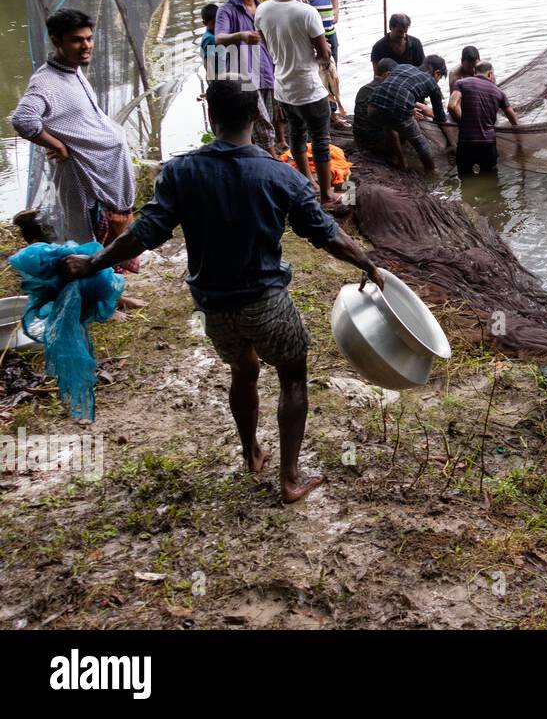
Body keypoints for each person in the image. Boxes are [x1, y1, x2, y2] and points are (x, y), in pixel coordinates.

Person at [58, 79, 382, 503]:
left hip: (212, 303)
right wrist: (367, 263)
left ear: (211, 117)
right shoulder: (280, 175)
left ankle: (251, 453)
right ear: (255, 117)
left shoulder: (179, 171)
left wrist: (92, 262)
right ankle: (289, 479)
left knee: (243, 370)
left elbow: (144, 233)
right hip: (265, 301)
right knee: (292, 377)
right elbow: (326, 234)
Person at [8, 9, 143, 305]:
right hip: (81, 176)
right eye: (76, 40)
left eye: (89, 39)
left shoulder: (72, 71)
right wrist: (55, 144)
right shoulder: (45, 82)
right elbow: (23, 119)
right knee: (85, 239)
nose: (86, 46)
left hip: (102, 172)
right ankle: (94, 302)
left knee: (110, 237)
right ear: (56, 41)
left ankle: (113, 294)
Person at [255, 0, 340, 207]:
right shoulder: (307, 12)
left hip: (282, 86)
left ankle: (306, 184)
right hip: (309, 88)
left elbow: (265, 43)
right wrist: (321, 59)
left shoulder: (262, 10)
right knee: (321, 140)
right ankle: (326, 195)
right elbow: (323, 54)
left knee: (297, 135)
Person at [214, 0, 280, 154]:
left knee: (269, 117)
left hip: (267, 71)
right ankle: (274, 164)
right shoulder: (227, 9)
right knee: (261, 123)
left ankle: (254, 158)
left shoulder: (263, 8)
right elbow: (219, 38)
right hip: (243, 76)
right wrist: (241, 35)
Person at [367, 56, 448, 174]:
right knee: (419, 142)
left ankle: (402, 162)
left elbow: (393, 88)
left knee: (389, 127)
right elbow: (440, 116)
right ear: (437, 73)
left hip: (372, 106)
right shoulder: (432, 83)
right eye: (439, 78)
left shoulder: (403, 67)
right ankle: (431, 172)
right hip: (396, 110)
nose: (438, 80)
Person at [447, 61, 519, 177]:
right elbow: (513, 120)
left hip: (466, 142)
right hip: (488, 144)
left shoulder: (461, 83)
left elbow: (452, 106)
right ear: (490, 74)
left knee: (465, 180)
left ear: (475, 73)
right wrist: (519, 143)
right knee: (490, 179)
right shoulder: (499, 92)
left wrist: (462, 122)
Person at [351, 59, 395, 156]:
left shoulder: (363, 89)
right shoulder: (386, 92)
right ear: (388, 74)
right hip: (375, 142)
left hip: (358, 137)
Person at [199, 2, 219, 80]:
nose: (217, 25)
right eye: (213, 23)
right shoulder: (210, 39)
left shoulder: (213, 34)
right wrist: (213, 83)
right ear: (204, 23)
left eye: (219, 21)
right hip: (218, 77)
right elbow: (208, 63)